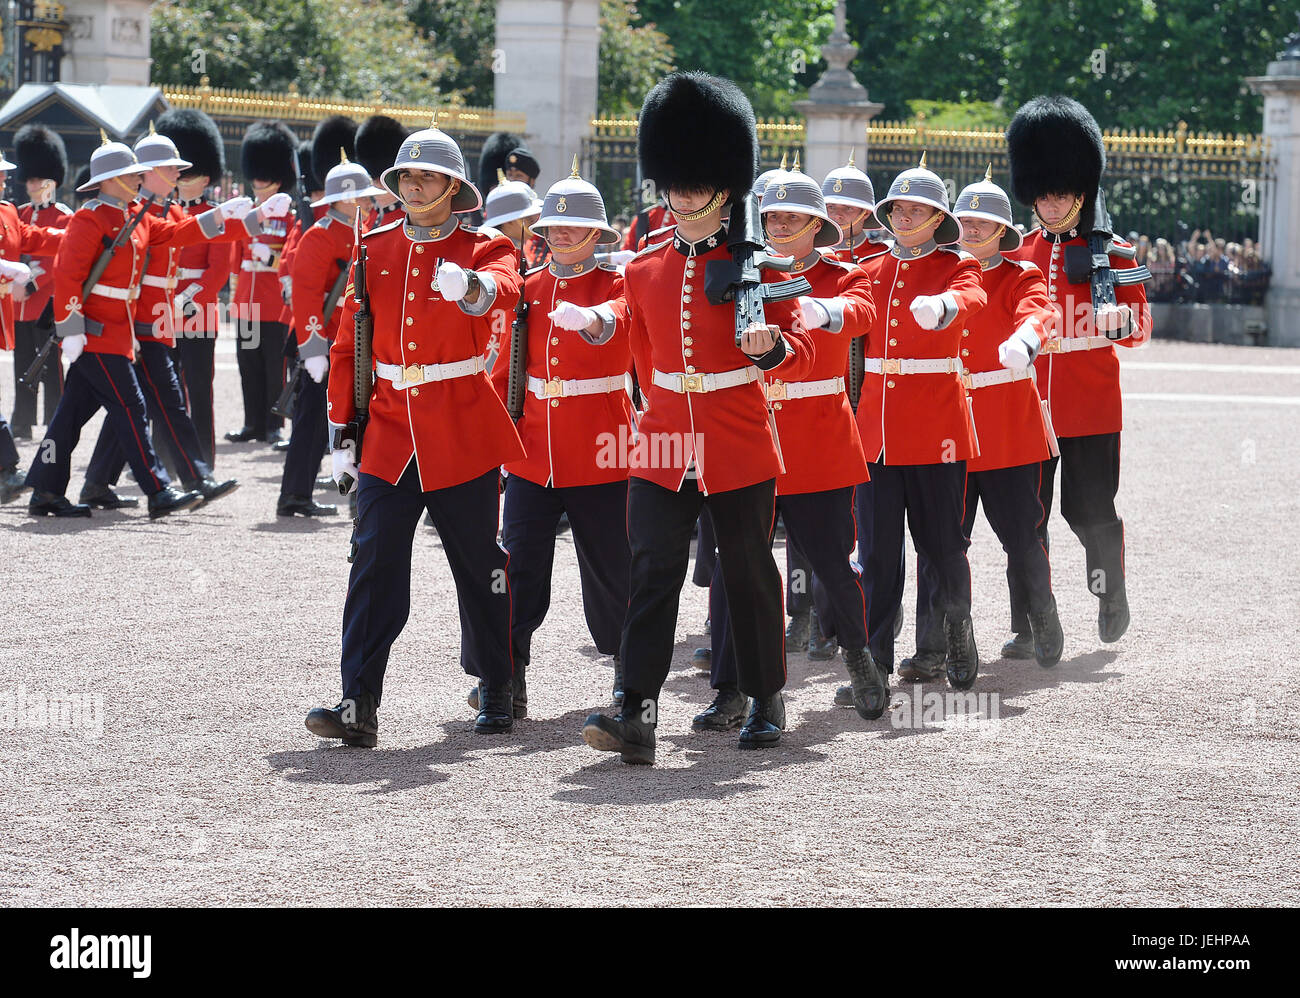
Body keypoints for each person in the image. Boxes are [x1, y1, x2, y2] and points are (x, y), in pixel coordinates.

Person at [573, 72, 813, 764]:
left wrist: (770, 350)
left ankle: (765, 698)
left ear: (724, 182)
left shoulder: (761, 267)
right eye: (674, 177)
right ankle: (637, 712)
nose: (681, 190)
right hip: (664, 438)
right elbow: (640, 350)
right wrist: (595, 324)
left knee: (747, 573)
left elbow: (798, 348)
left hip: (736, 431)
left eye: (695, 177)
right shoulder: (644, 267)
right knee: (651, 573)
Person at [304, 127, 525, 746]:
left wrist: (475, 289)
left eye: (425, 177)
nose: (412, 186)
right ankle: (358, 703)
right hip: (392, 431)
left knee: (480, 566)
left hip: (459, 424)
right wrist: (341, 429)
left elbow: (508, 289)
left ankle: (499, 685)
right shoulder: (374, 247)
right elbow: (352, 341)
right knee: (372, 565)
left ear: (454, 187)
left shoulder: (483, 245)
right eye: (405, 177)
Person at [700, 163, 887, 725]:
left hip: (816, 434)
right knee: (737, 563)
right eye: (771, 215)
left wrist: (825, 311)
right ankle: (732, 687)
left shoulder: (840, 274)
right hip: (747, 429)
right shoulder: (736, 270)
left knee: (831, 560)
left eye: (793, 217)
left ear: (817, 225)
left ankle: (859, 657)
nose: (779, 225)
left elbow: (863, 311)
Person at [24, 135, 285, 518]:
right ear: (112, 179)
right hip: (96, 334)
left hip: (120, 332)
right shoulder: (90, 216)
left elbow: (183, 232)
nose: (138, 178)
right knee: (132, 406)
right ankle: (159, 489)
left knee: (70, 416)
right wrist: (72, 328)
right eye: (130, 173)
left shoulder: (136, 218)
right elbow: (67, 275)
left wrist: (246, 218)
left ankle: (46, 489)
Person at [474, 160, 633, 717]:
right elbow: (505, 368)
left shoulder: (616, 282)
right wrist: (493, 437)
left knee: (613, 568)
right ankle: (504, 676)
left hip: (602, 447)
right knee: (516, 567)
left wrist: (592, 321)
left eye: (572, 227)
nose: (560, 236)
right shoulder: (529, 286)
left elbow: (619, 317)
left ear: (597, 233)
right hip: (532, 450)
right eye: (552, 228)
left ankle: (628, 681)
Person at [1005, 95, 1151, 648]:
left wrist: (1119, 321)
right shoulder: (1020, 253)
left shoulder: (1114, 251)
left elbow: (1140, 327)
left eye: (1059, 192)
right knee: (1026, 519)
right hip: (1025, 404)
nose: (1049, 203)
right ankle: (1030, 622)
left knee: (1087, 511)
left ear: (1082, 190)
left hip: (1088, 403)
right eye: (1042, 193)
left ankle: (1108, 589)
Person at [909, 169, 1064, 678]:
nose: (974, 230)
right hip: (945, 425)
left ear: (1003, 230)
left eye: (985, 223)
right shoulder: (941, 272)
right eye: (968, 221)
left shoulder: (1021, 275)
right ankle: (941, 643)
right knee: (940, 545)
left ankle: (1041, 614)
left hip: (1006, 428)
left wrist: (1025, 339)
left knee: (1021, 535)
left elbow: (1040, 313)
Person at [848, 156, 987, 695]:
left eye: (917, 210)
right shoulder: (872, 270)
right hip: (878, 432)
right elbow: (856, 313)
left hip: (937, 428)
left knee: (942, 546)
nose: (905, 217)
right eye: (898, 209)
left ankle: (956, 628)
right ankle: (877, 660)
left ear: (938, 219)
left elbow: (972, 296)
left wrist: (947, 305)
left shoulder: (958, 266)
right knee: (878, 554)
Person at [79, 127, 240, 510]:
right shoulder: (134, 213)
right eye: (169, 168)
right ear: (146, 171)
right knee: (161, 402)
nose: (176, 175)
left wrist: (240, 221)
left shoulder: (171, 210)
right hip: (137, 324)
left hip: (160, 320)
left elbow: (200, 244)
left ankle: (95, 482)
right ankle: (197, 477)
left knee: (138, 404)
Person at [277, 156, 383, 517]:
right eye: (362, 198)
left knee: (358, 417)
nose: (369, 204)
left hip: (356, 342)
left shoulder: (363, 235)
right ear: (344, 199)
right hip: (324, 344)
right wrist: (312, 350)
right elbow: (306, 296)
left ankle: (355, 489)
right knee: (310, 423)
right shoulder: (319, 235)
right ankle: (294, 494)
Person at [157, 107, 233, 470]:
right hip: (160, 309)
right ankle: (162, 456)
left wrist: (186, 298)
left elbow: (219, 270)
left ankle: (202, 457)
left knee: (199, 389)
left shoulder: (215, 216)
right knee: (162, 388)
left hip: (196, 311)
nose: (184, 179)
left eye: (192, 174)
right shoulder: (164, 213)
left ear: (206, 179)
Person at [226, 121, 299, 447]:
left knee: (274, 367)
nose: (257, 181)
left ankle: (274, 425)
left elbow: (291, 263)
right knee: (248, 365)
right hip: (247, 303)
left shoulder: (291, 218)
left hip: (274, 305)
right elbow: (235, 263)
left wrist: (269, 259)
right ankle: (252, 423)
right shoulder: (248, 215)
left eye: (264, 174)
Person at [0, 146, 64, 504]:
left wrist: (75, 236)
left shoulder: (7, 211)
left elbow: (32, 238)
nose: (7, 179)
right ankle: (7, 467)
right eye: (1, 174)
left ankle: (6, 469)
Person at [9, 125, 71, 442]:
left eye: (39, 179)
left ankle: (54, 420)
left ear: (53, 180)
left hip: (46, 301)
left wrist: (30, 284)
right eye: (30, 180)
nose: (33, 186)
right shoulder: (18, 214)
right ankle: (21, 421)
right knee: (22, 362)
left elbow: (55, 263)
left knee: (49, 365)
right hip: (18, 302)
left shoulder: (64, 217)